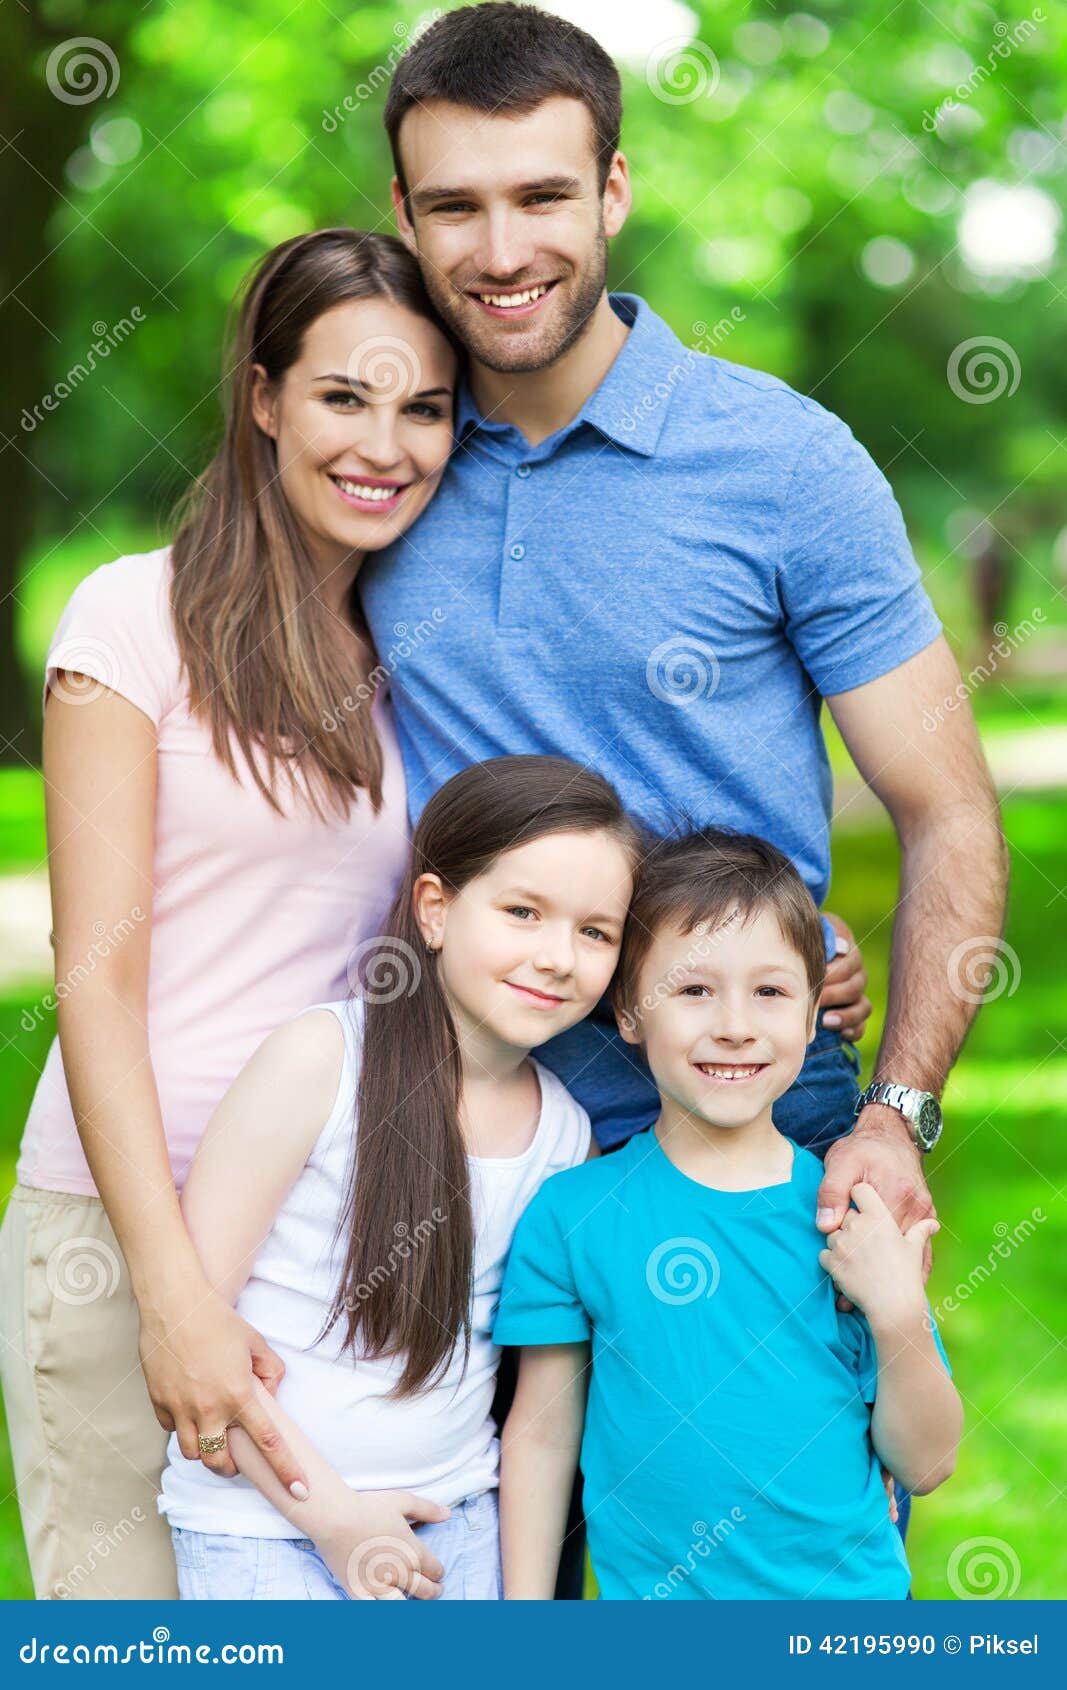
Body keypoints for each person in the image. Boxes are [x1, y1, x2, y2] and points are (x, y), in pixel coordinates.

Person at [363, 5, 1005, 1566]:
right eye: (453, 205)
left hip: (745, 1116)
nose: (499, 250)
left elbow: (945, 807)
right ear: (402, 214)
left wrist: (898, 1114)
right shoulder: (374, 460)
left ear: (613, 191)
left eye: (540, 195)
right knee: (457, 1586)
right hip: (449, 1130)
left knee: (763, 1584)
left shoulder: (780, 462)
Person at [0, 229, 458, 1599]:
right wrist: (172, 1294)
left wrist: (798, 955)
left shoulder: (416, 663)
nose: (383, 445)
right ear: (262, 398)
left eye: (424, 408)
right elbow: (95, 976)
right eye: (342, 396)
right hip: (125, 1227)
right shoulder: (131, 619)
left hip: (332, 1231)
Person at [156, 756, 642, 1599]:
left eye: (595, 932)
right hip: (263, 1530)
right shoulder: (321, 1061)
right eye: (522, 912)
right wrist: (335, 1520)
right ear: (435, 909)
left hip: (455, 1531)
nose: (558, 957)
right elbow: (191, 1342)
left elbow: (541, 1399)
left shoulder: (564, 1135)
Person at [494, 829, 963, 1599]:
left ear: (811, 1017)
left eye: (769, 992)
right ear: (630, 1011)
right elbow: (542, 1439)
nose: (735, 1025)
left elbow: (927, 1462)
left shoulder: (852, 1217)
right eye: (692, 990)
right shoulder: (572, 1216)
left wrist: (895, 1311)